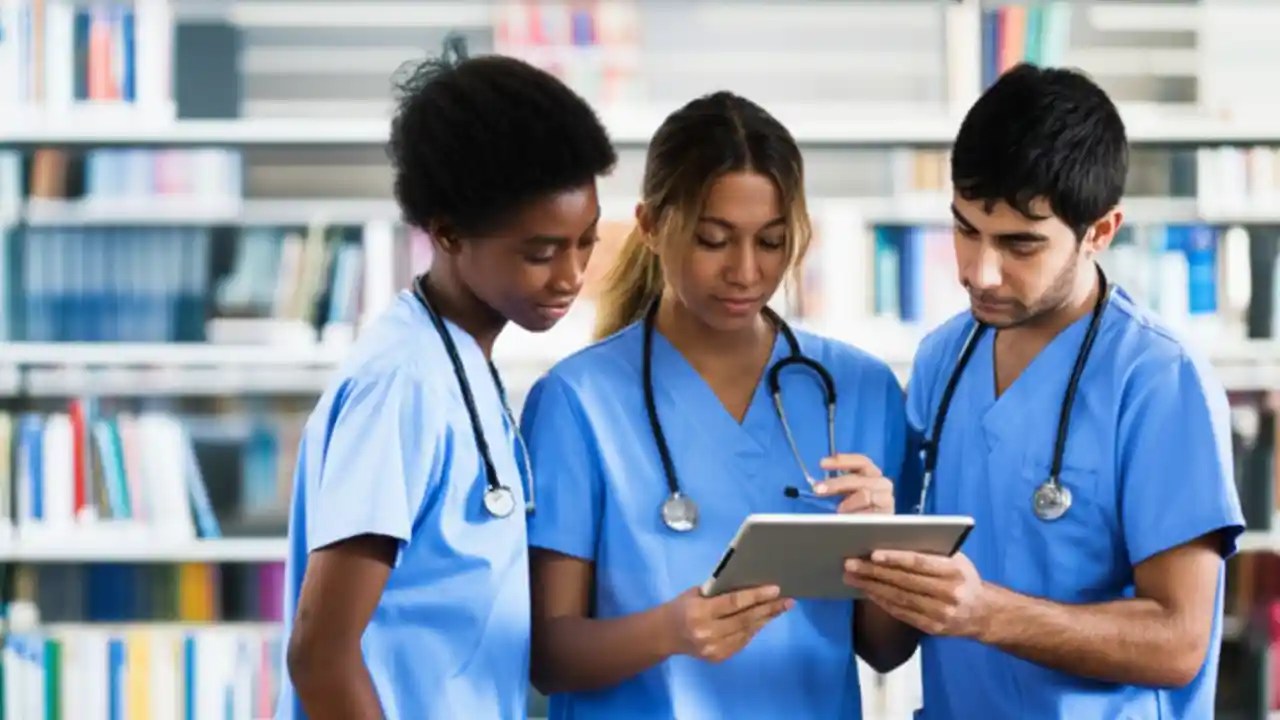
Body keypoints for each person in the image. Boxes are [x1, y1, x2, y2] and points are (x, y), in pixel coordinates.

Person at [843, 63, 1246, 719]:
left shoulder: (1158, 380)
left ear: (1101, 232)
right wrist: (870, 550)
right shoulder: (943, 359)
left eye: (1020, 245)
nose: (980, 272)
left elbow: (1178, 643)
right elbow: (888, 650)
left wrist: (985, 613)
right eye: (966, 229)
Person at [518, 90, 916, 719]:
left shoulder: (860, 391)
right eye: (713, 239)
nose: (745, 271)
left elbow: (885, 650)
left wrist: (886, 550)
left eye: (772, 241)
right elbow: (547, 653)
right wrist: (670, 632)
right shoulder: (578, 402)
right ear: (650, 227)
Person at [275, 36, 616, 720]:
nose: (571, 277)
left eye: (586, 243)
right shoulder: (403, 384)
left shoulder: (466, 365)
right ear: (450, 235)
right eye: (540, 252)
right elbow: (320, 652)